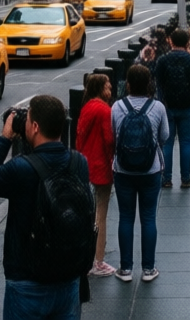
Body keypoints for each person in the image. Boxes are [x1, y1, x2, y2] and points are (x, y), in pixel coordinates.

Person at [0, 95, 94, 320]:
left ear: (35, 127)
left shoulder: (21, 168)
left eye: (28, 120)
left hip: (27, 281)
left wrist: (5, 137)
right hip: (68, 276)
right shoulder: (80, 163)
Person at [111, 64, 169, 283]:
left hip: (123, 170)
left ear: (128, 84)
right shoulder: (158, 107)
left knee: (125, 217)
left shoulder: (117, 106)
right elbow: (164, 136)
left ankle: (125, 269)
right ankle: (148, 268)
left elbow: (114, 138)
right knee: (148, 217)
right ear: (149, 84)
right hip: (151, 170)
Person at [76, 73, 117, 278]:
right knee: (101, 214)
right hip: (101, 166)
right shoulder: (104, 110)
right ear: (101, 88)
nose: (111, 90)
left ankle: (86, 256)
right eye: (108, 86)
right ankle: (98, 260)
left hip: (85, 165)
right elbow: (110, 140)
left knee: (88, 213)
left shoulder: (86, 107)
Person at [154, 29, 190, 188]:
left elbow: (158, 82)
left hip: (167, 105)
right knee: (185, 142)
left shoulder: (163, 60)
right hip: (187, 105)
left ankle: (166, 179)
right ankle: (185, 178)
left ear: (171, 41)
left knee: (167, 143)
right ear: (187, 42)